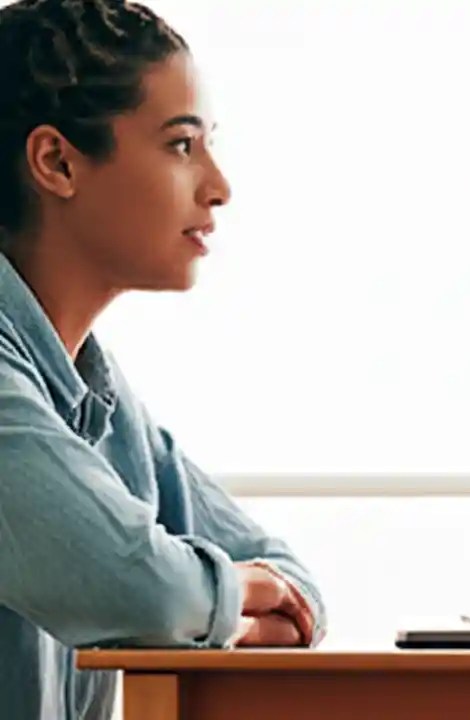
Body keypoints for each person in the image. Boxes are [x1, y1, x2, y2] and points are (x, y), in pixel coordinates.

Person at [0, 1, 326, 718]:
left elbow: (294, 584)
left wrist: (215, 602)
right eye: (181, 145)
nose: (218, 186)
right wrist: (231, 597)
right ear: (57, 162)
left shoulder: (94, 393)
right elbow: (148, 592)